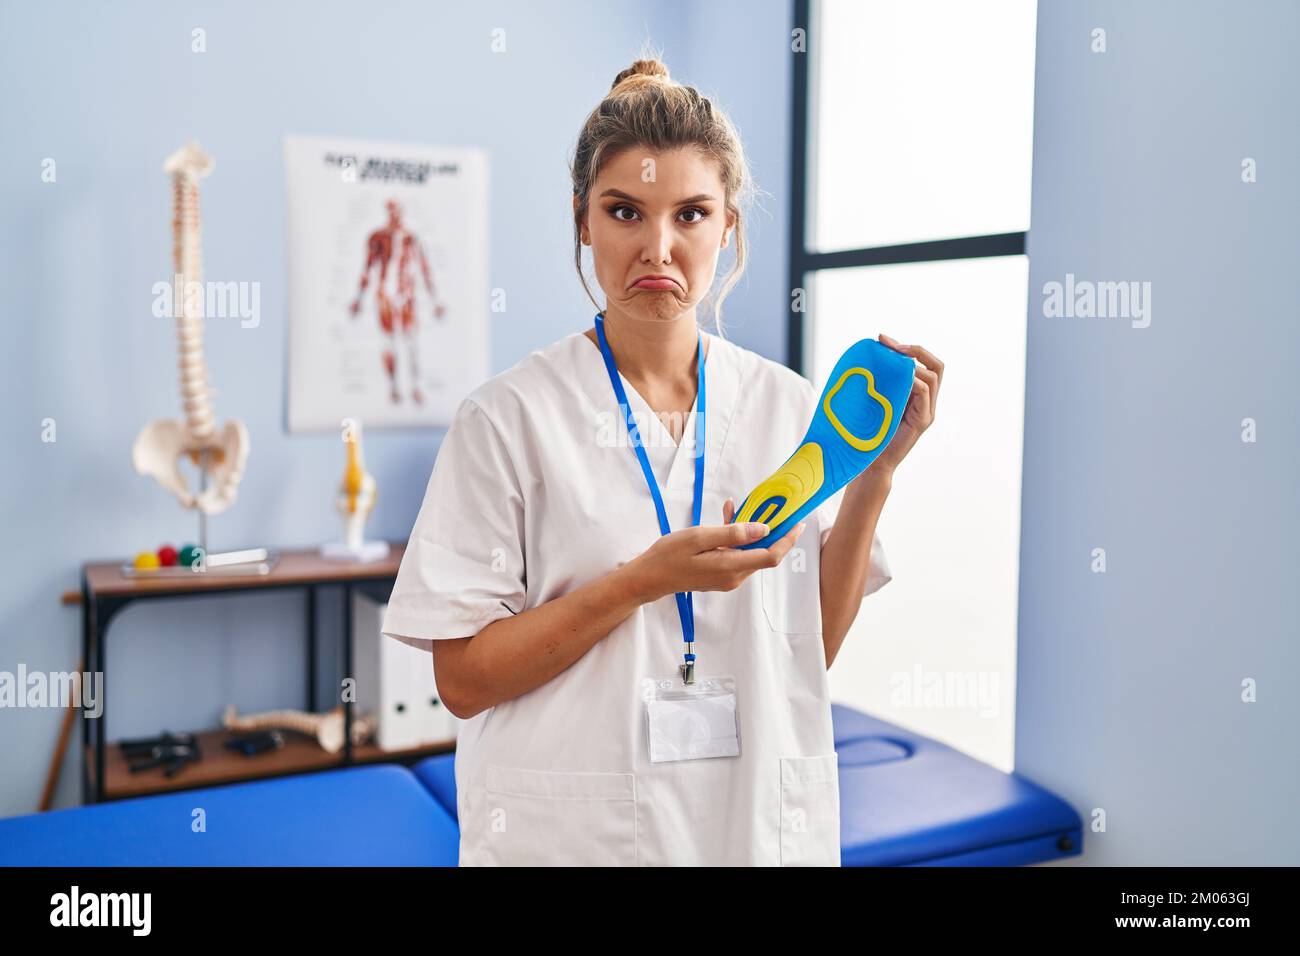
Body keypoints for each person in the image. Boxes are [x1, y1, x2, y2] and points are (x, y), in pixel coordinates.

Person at [380, 57, 943, 866]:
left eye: (690, 213)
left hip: (750, 829)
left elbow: (808, 649)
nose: (659, 247)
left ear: (729, 227)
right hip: (576, 838)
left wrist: (876, 476)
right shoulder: (507, 419)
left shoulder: (789, 407)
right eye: (624, 211)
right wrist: (645, 580)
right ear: (582, 220)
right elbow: (464, 681)